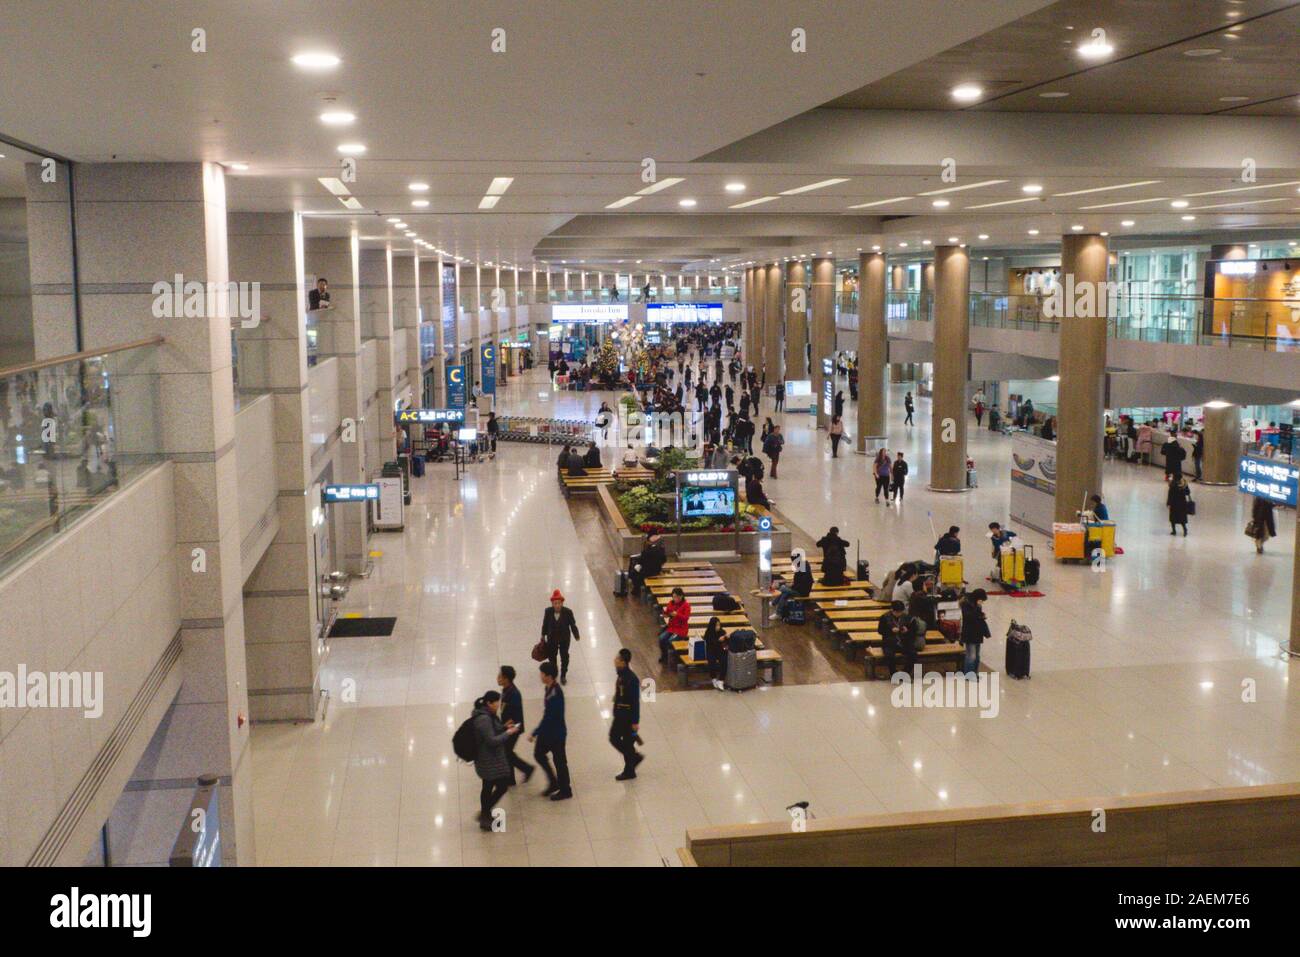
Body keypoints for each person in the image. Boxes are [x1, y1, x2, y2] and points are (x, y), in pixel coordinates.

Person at [471, 691, 522, 830]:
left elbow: (492, 730)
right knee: (500, 786)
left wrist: (504, 727)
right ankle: (484, 815)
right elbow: (492, 740)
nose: (498, 706)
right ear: (489, 703)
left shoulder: (486, 715)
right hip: (487, 760)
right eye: (496, 703)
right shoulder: (484, 719)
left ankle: (485, 816)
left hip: (487, 759)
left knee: (488, 787)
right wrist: (508, 733)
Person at [529, 661, 572, 800]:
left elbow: (550, 716)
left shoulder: (555, 693)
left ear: (549, 676)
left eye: (542, 673)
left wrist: (535, 732)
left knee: (560, 761)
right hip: (548, 732)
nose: (540, 676)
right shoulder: (548, 689)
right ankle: (554, 782)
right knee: (538, 754)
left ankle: (566, 790)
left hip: (556, 733)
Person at [497, 666, 534, 784]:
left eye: (500, 676)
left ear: (506, 679)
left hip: (514, 728)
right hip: (507, 727)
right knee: (506, 752)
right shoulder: (506, 690)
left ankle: (527, 769)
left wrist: (509, 725)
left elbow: (517, 716)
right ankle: (511, 779)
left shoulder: (514, 693)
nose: (497, 678)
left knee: (506, 752)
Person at [611, 649, 643, 780]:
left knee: (622, 741)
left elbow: (635, 701)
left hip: (627, 715)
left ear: (623, 662)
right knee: (620, 740)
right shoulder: (621, 674)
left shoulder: (632, 679)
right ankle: (633, 759)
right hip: (620, 713)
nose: (614, 660)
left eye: (617, 659)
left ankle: (630, 769)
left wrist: (635, 721)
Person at [540, 589, 581, 684]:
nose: (557, 605)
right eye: (555, 603)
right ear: (552, 604)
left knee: (564, 656)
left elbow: (573, 625)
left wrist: (576, 635)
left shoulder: (568, 612)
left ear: (562, 603)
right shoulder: (548, 611)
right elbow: (545, 624)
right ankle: (554, 674)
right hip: (552, 639)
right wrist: (543, 635)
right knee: (552, 657)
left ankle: (563, 675)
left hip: (564, 639)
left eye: (559, 603)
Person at [877, 601, 919, 678]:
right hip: (889, 642)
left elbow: (914, 631)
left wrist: (907, 631)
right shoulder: (885, 617)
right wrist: (890, 630)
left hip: (904, 641)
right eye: (897, 612)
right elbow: (880, 631)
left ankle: (905, 673)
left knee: (913, 654)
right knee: (889, 655)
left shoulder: (908, 618)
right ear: (892, 610)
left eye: (900, 612)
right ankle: (893, 673)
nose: (899, 614)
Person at [959, 589, 990, 676]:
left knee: (977, 655)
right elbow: (969, 617)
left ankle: (975, 673)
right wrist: (978, 608)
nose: (982, 603)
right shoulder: (966, 603)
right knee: (971, 656)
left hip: (977, 632)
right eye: (982, 600)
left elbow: (976, 615)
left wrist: (982, 614)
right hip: (969, 633)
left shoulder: (976, 603)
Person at [657, 587, 691, 665]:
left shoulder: (686, 605)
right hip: (671, 628)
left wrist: (677, 614)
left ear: (681, 596)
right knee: (661, 638)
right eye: (673, 597)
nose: (675, 598)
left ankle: (675, 659)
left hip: (681, 629)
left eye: (676, 597)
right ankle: (664, 655)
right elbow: (667, 612)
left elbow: (686, 618)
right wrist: (665, 614)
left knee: (670, 641)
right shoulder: (671, 603)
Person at [628, 531, 666, 597]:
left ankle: (636, 589)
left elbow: (641, 561)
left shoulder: (646, 551)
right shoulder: (661, 550)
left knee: (634, 573)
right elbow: (664, 560)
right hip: (657, 571)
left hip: (647, 572)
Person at [701, 616, 729, 691]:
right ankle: (713, 678)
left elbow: (725, 644)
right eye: (716, 625)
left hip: (720, 650)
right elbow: (710, 644)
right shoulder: (708, 633)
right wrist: (718, 641)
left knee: (724, 660)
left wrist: (726, 637)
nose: (718, 627)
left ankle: (721, 680)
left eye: (719, 625)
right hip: (711, 650)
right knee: (711, 661)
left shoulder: (722, 632)